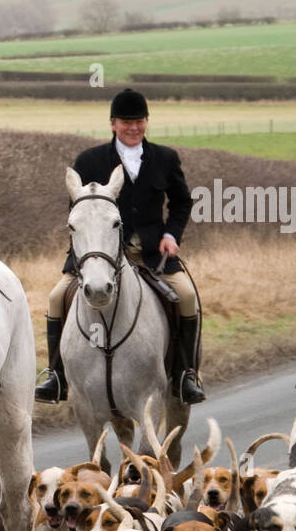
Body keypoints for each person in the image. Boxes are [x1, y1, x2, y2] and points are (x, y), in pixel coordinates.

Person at [35, 88, 205, 404]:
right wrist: (84, 250)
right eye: (126, 121)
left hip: (153, 255)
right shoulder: (90, 160)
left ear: (146, 122)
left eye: (139, 121)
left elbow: (182, 202)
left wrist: (172, 235)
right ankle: (56, 376)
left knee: (186, 296)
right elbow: (76, 211)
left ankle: (185, 375)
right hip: (97, 256)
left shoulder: (165, 158)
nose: (133, 127)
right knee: (56, 297)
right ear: (113, 124)